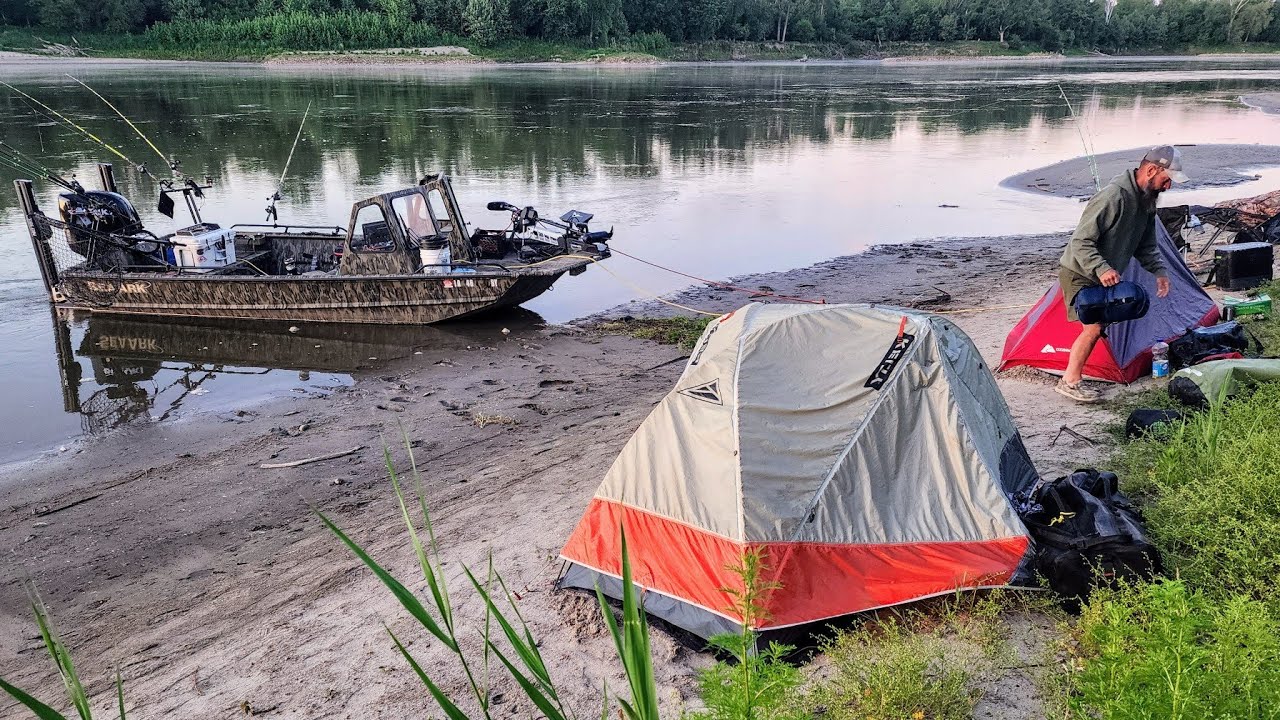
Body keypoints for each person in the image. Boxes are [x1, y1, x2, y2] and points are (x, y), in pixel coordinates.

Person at [1055, 145, 1186, 403]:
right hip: (1080, 271)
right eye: (1166, 179)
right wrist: (1102, 268)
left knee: (1101, 324)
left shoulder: (1147, 201)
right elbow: (1080, 241)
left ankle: (1074, 377)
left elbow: (1146, 245)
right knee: (1093, 329)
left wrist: (1159, 271)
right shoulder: (1112, 197)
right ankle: (1069, 381)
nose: (1168, 186)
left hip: (1103, 273)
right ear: (1151, 170)